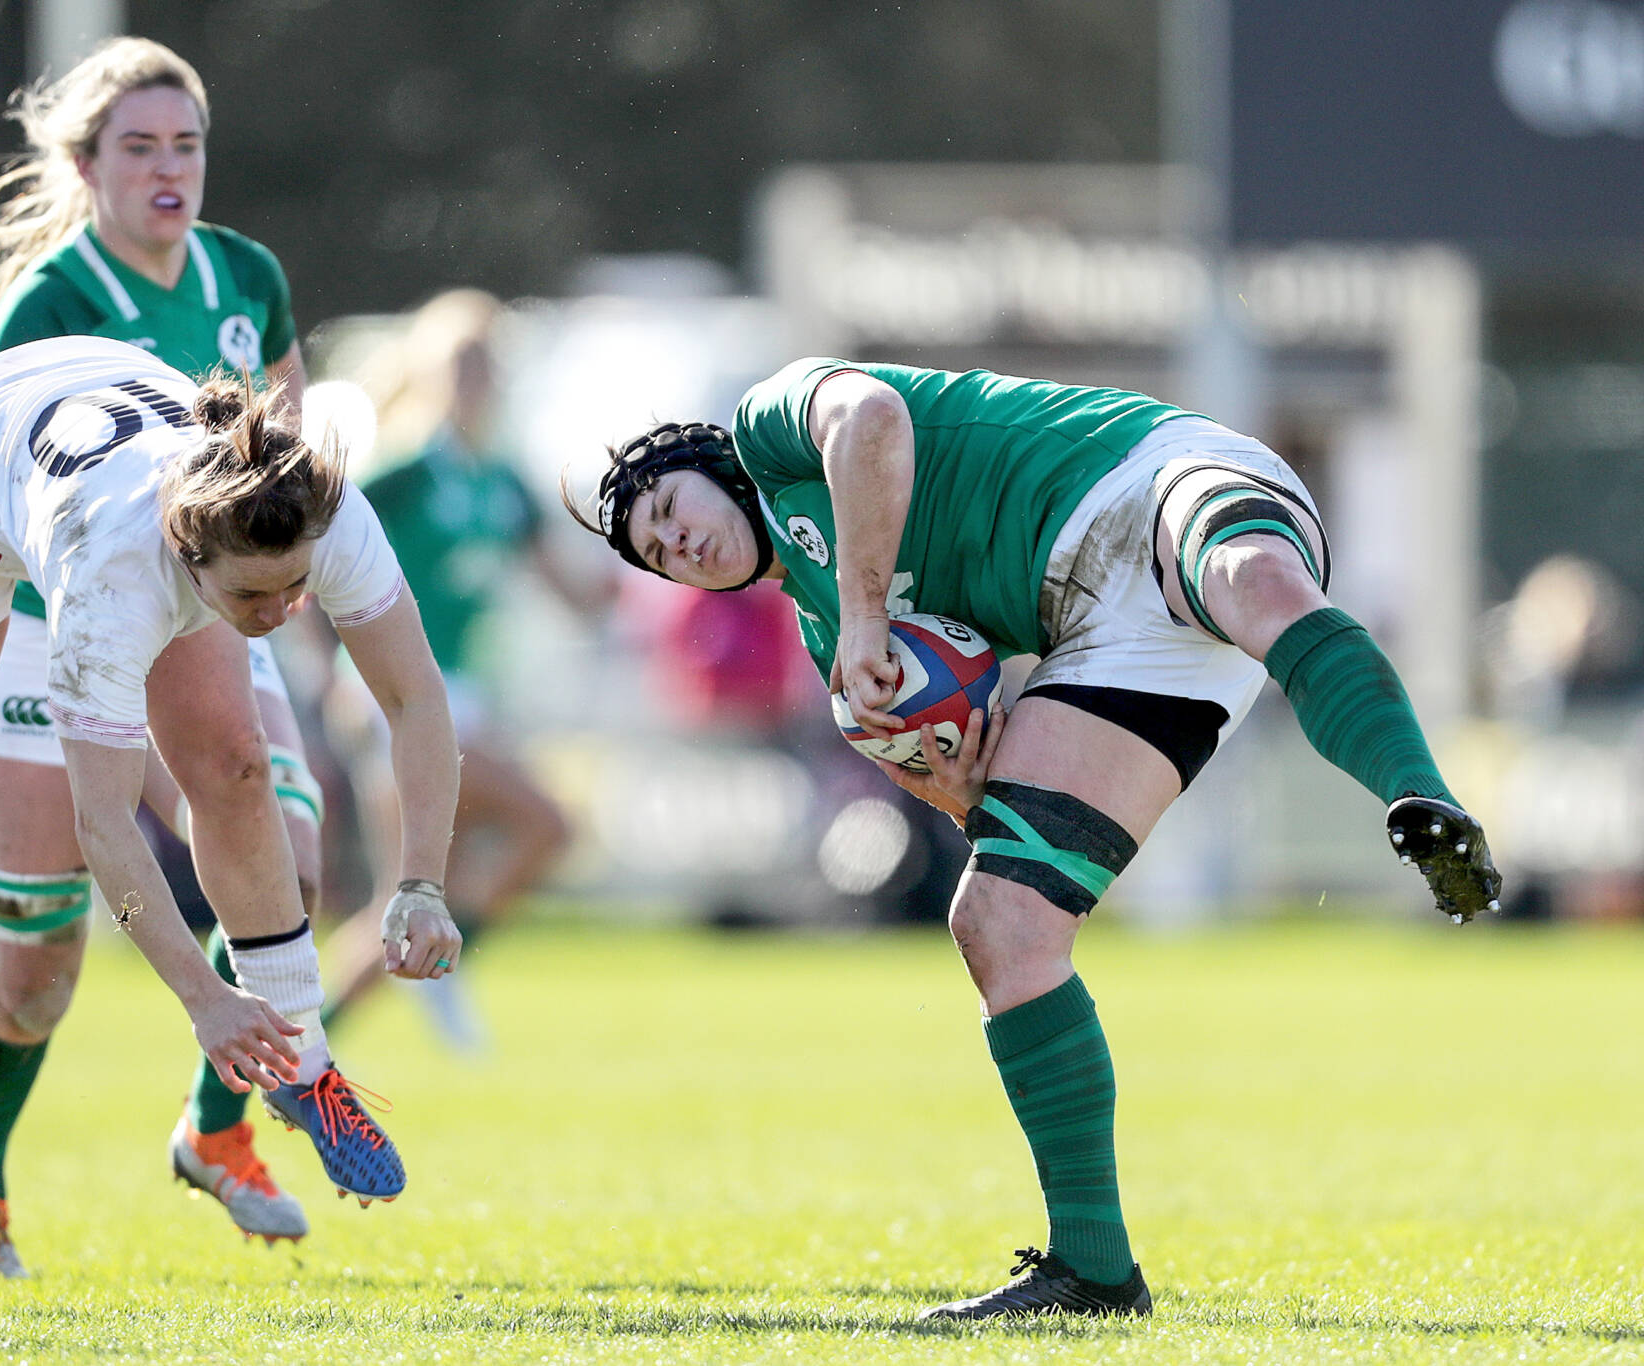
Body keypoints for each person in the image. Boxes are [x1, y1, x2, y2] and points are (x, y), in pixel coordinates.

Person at [567, 357, 1502, 1322]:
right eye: (660, 552)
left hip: (1148, 480)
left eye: (671, 509)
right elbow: (936, 780)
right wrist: (969, 793)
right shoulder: (823, 637)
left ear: (714, 467)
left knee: (1250, 578)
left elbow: (875, 416)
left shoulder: (774, 428)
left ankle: (1424, 803)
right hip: (1097, 636)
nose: (678, 541)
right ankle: (1092, 1268)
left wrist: (865, 612)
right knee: (1002, 920)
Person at [0, 335, 461, 1298]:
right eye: (255, 594)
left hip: (82, 446)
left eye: (298, 584)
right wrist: (202, 1002)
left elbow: (414, 696)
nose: (287, 609)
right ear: (192, 560)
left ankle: (305, 1059)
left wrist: (419, 882)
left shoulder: (319, 511)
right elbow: (108, 827)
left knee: (242, 766)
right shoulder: (115, 579)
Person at [0, 37, 328, 1275]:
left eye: (187, 145)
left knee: (288, 855)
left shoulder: (246, 275)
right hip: (56, 632)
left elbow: (288, 452)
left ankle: (217, 1130)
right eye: (140, 148)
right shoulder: (49, 302)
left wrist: (294, 591)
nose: (169, 170)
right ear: (86, 166)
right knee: (37, 965)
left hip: (202, 616)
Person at [320, 290, 600, 1043]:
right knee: (547, 825)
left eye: (486, 364)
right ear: (429, 373)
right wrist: (332, 677)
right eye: (461, 363)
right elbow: (310, 564)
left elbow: (572, 592)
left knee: (406, 895)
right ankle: (442, 960)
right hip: (395, 699)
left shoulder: (504, 483)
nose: (476, 379)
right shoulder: (402, 475)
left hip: (463, 701)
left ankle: (306, 1040)